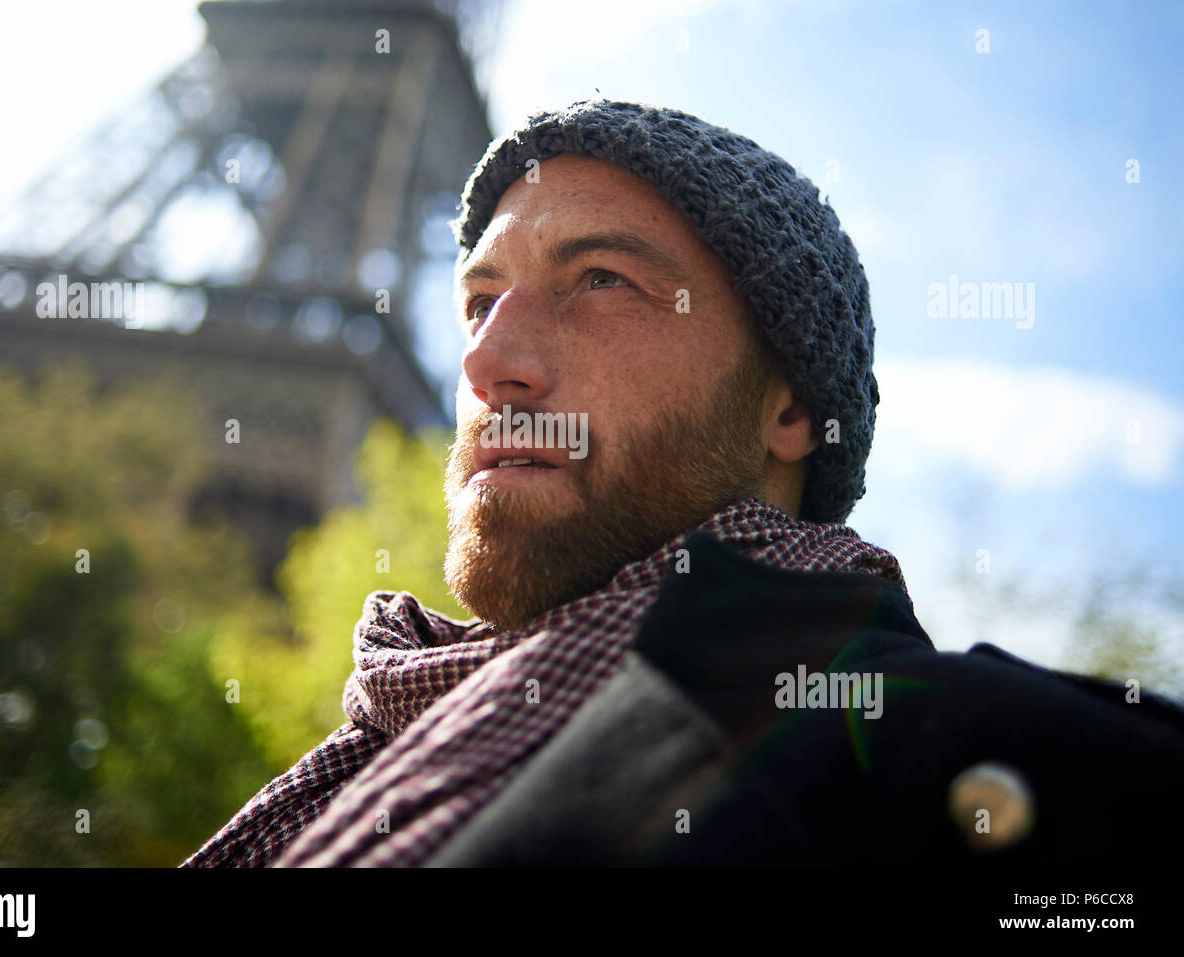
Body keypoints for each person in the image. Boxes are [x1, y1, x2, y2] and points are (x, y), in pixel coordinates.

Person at [183, 99, 1184, 868]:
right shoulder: (356, 760)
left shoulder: (983, 755)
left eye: (601, 280)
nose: (490, 363)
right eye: (479, 302)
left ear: (787, 411)